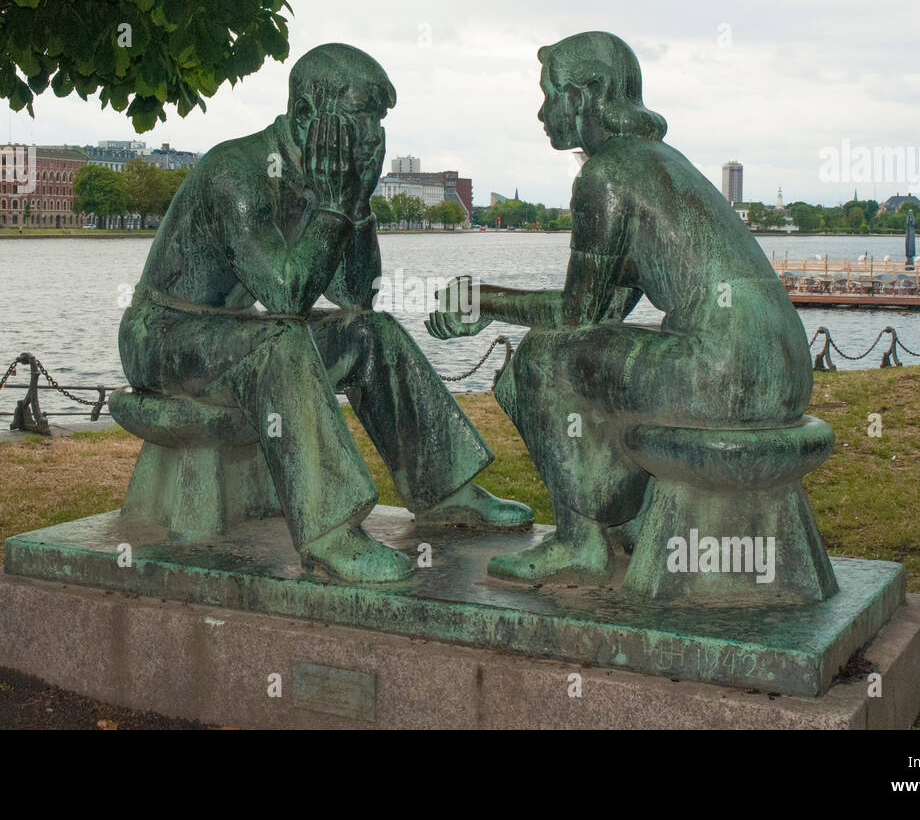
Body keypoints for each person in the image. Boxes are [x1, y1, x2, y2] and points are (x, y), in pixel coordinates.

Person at [119, 43, 530, 584]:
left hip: (237, 332)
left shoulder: (319, 175)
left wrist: (356, 204)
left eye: (377, 120)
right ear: (308, 115)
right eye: (360, 116)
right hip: (164, 335)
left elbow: (359, 296)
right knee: (282, 342)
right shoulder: (236, 173)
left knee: (370, 334)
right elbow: (287, 300)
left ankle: (445, 490)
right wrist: (334, 204)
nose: (372, 133)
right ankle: (329, 531)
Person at [429, 32, 812, 583]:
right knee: (569, 361)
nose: (542, 112)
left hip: (722, 373)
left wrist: (485, 299)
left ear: (589, 93)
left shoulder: (604, 175)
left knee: (541, 360)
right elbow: (604, 307)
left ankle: (579, 538)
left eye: (549, 94)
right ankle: (621, 516)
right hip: (782, 374)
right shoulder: (658, 162)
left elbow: (578, 316)